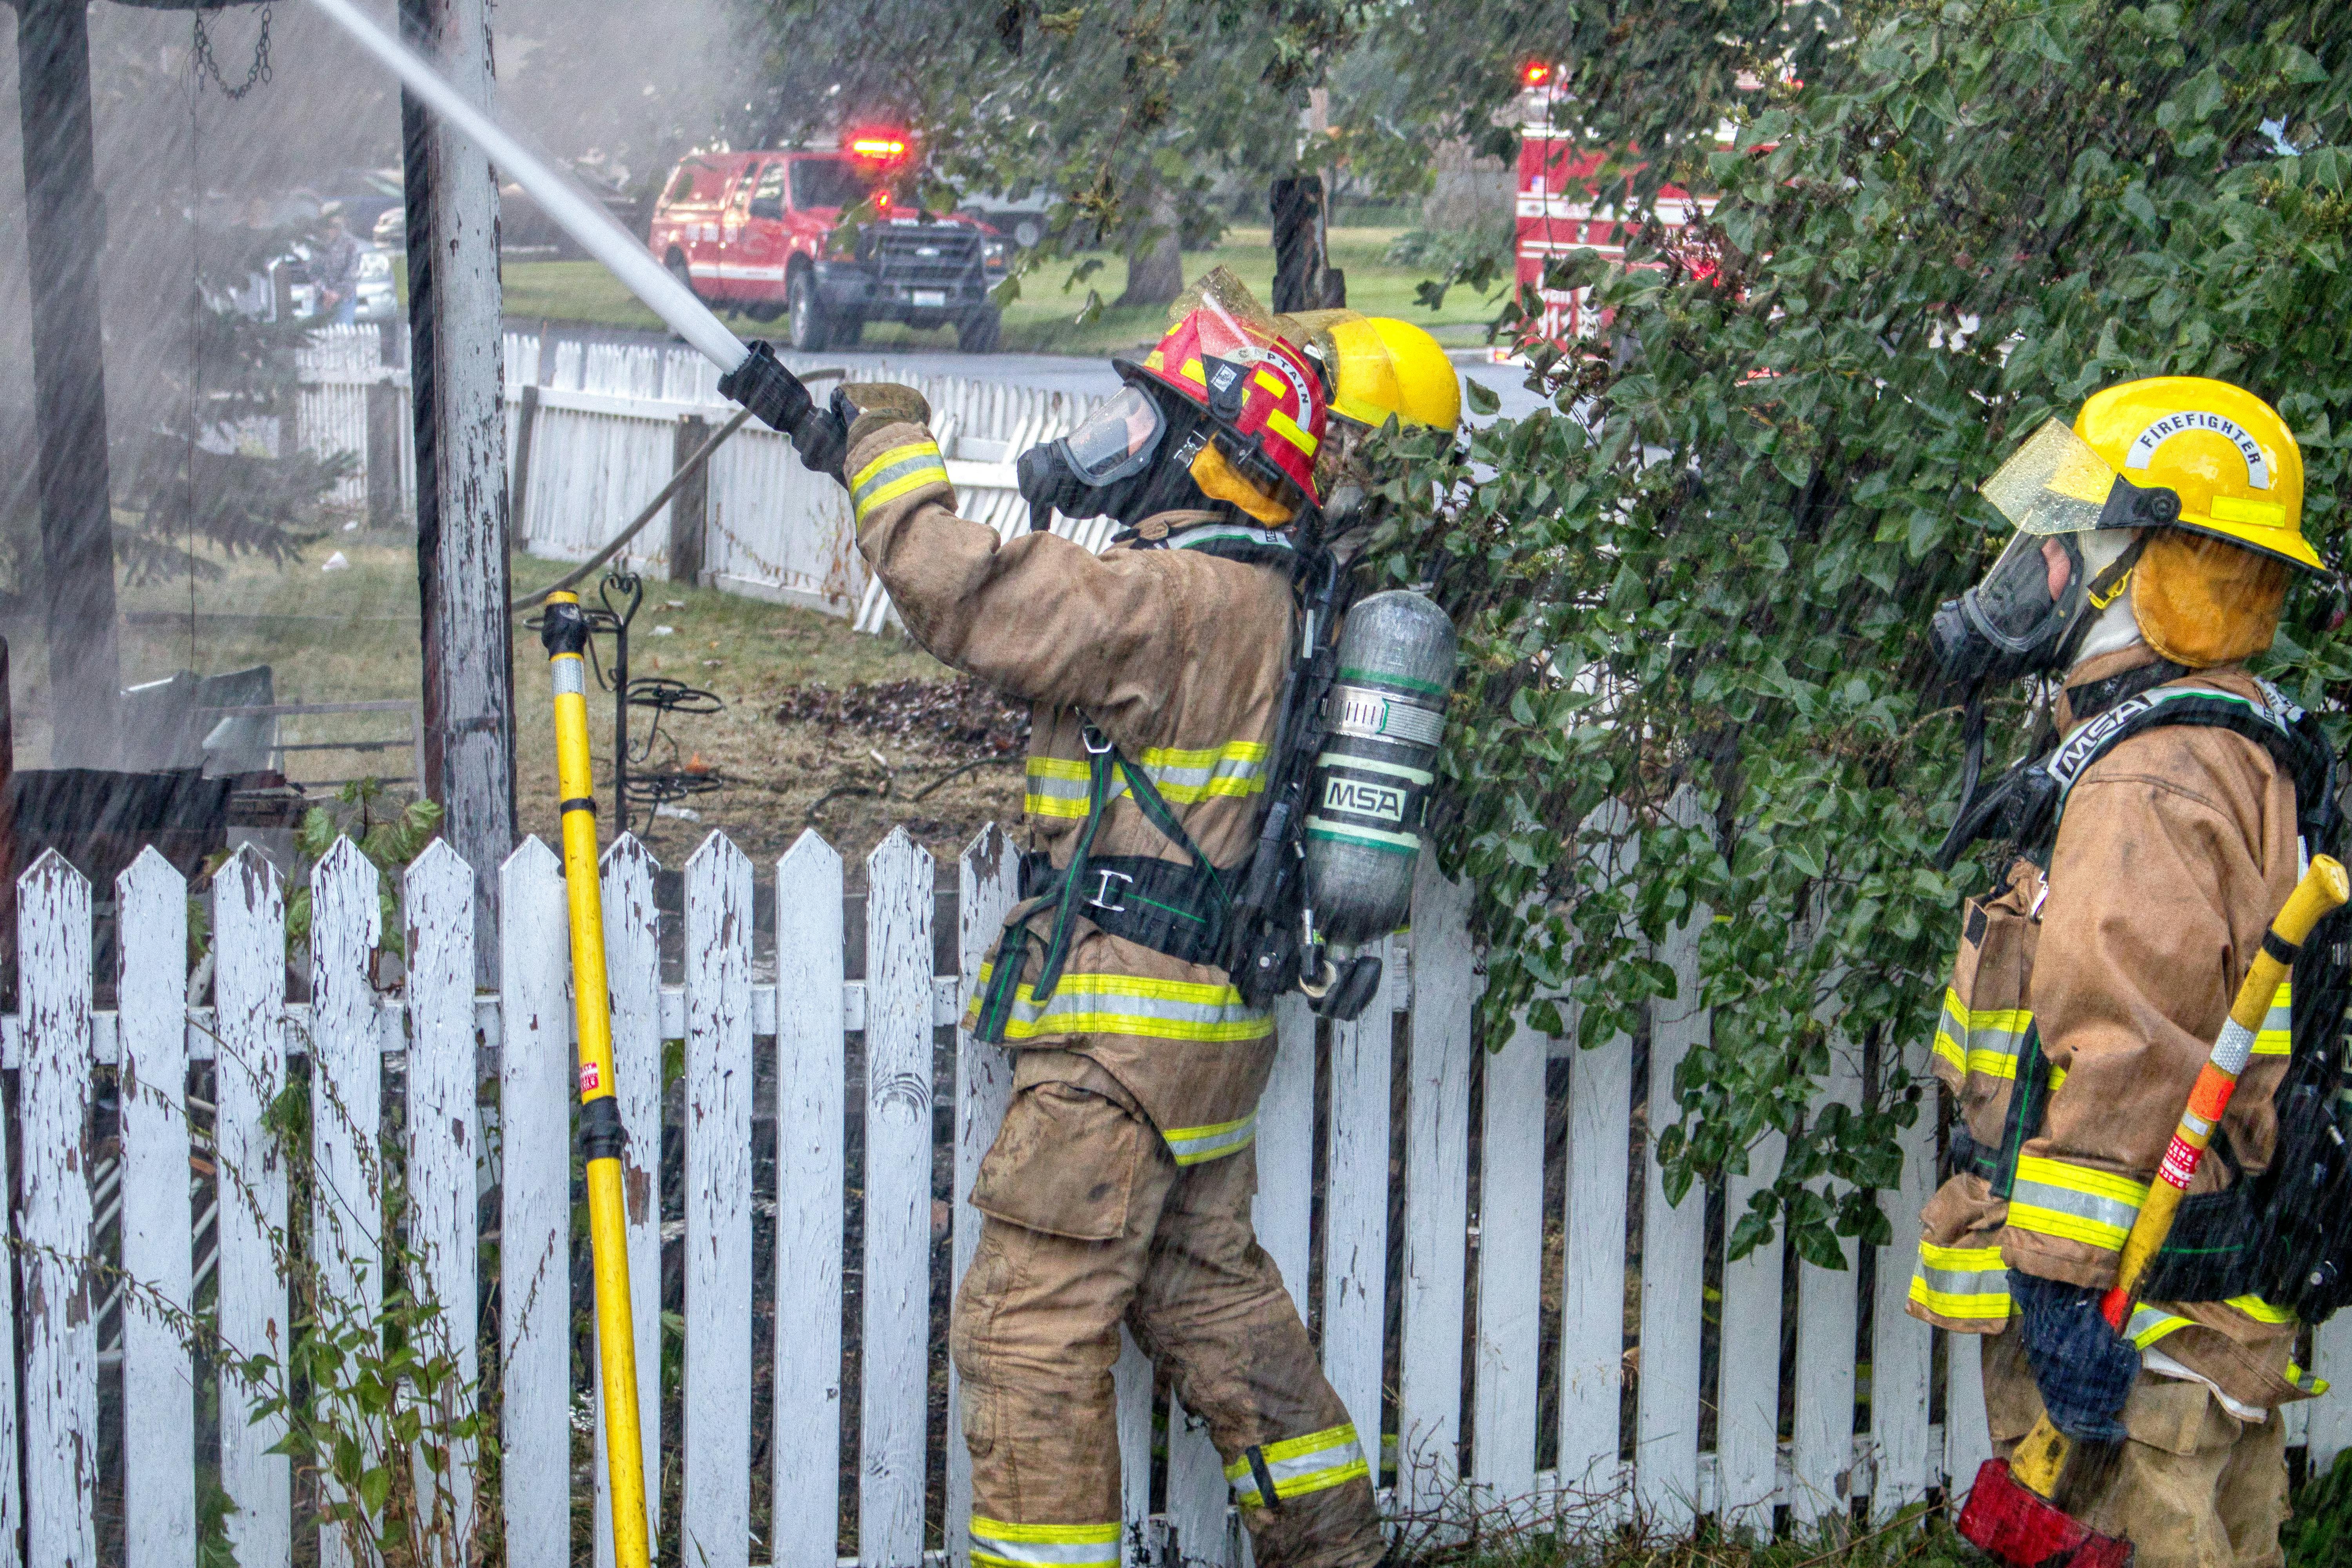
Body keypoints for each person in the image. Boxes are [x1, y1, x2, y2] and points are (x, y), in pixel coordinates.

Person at [778, 272, 1459, 1568]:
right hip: (1199, 1047)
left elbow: (962, 593)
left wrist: (882, 439)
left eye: (1151, 428)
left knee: (1027, 1333)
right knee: (1210, 1301)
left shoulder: (1163, 604)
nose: (1120, 449)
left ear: (1213, 460)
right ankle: (1340, 1552)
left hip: (1112, 1058)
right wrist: (837, 455)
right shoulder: (1266, 600)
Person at [1907, 377, 2330, 1568]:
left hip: (2127, 1323)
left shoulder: (2146, 778)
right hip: (2195, 1315)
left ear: (2154, 564)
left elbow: (2128, 1050)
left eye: (2067, 537)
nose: (2030, 569)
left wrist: (2058, 1290)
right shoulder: (2230, 734)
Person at [311, 209, 362, 326]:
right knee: (319, 337)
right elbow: (313, 270)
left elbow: (352, 273)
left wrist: (336, 293)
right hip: (322, 299)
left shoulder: (351, 243)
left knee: (344, 335)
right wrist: (324, 291)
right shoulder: (316, 242)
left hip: (344, 298)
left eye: (333, 223)